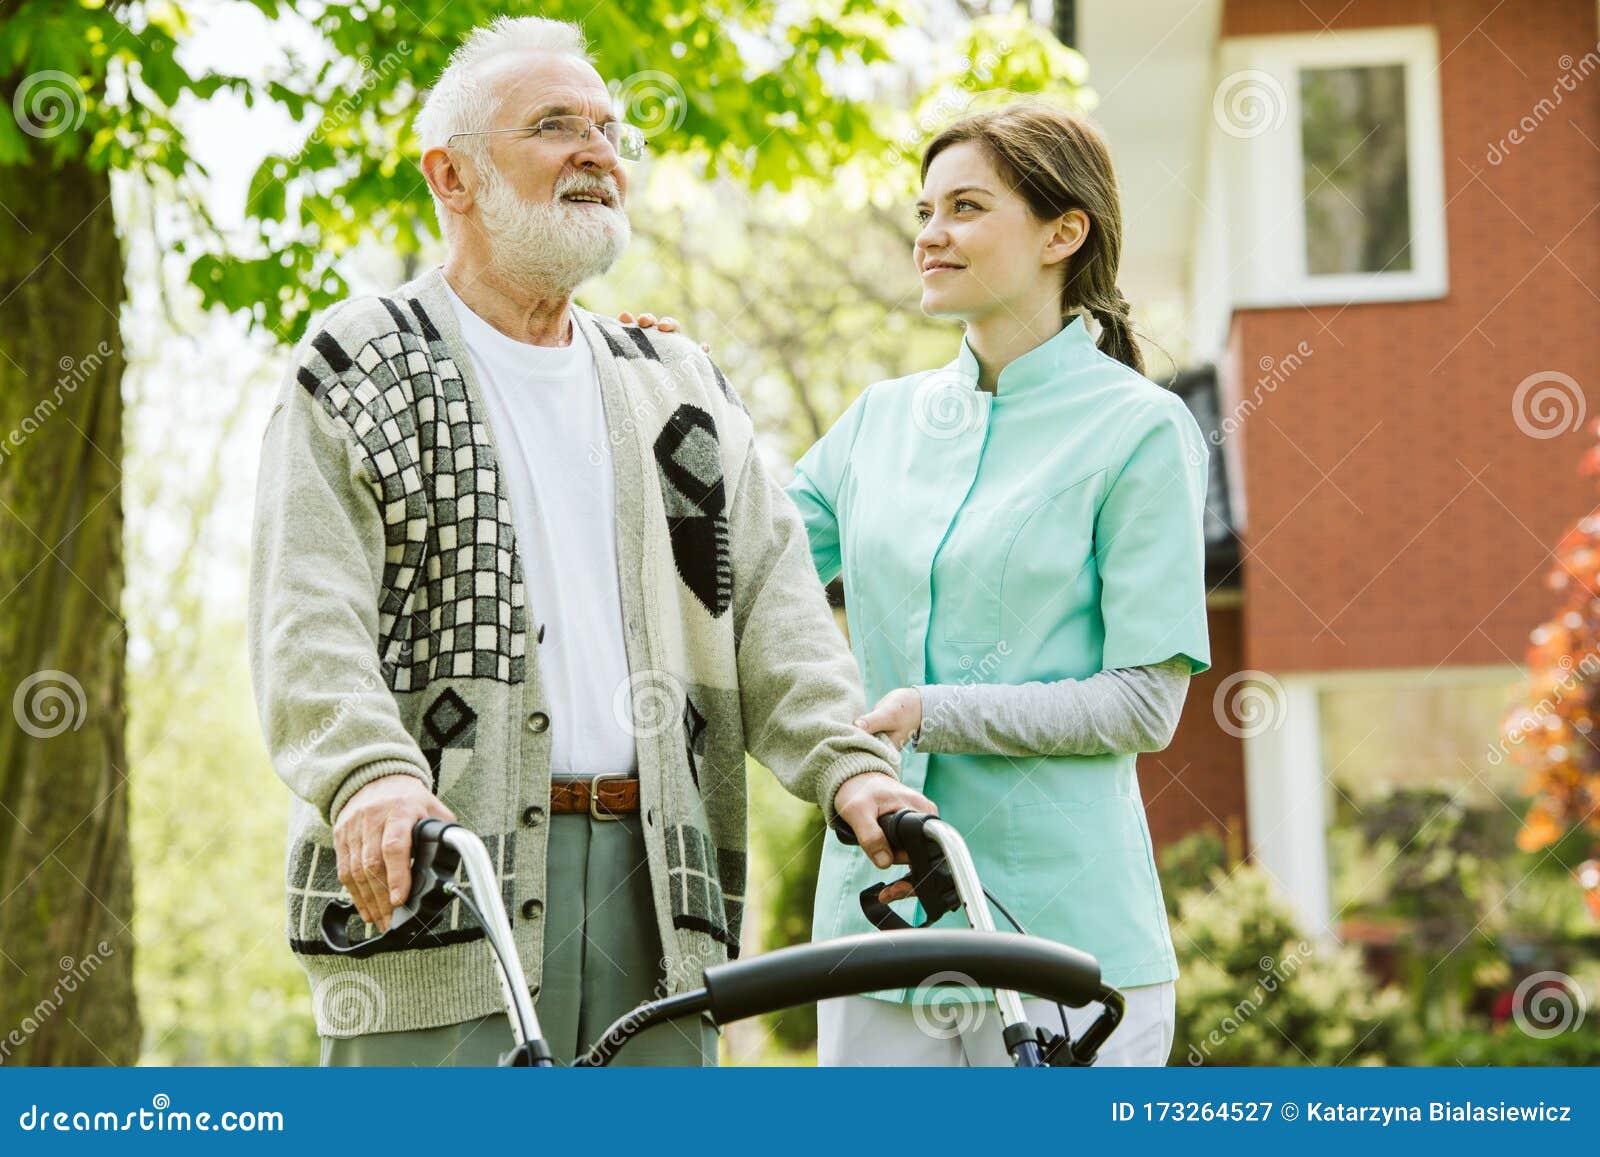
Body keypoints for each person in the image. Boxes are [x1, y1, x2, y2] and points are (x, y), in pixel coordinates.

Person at [246, 14, 930, 1069]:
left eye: (610, 131)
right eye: (555, 125)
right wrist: (367, 772)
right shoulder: (358, 363)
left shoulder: (677, 386)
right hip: (440, 877)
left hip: (658, 889)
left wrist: (851, 767)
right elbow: (308, 612)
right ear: (453, 175)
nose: (598, 152)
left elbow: (776, 611)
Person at [642, 102, 1211, 1064]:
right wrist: (669, 396)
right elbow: (732, 571)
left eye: (965, 208)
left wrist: (930, 710)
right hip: (876, 932)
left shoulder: (1139, 429)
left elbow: (1144, 706)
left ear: (1062, 233)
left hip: (1062, 938)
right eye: (923, 211)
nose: (929, 235)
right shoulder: (879, 422)